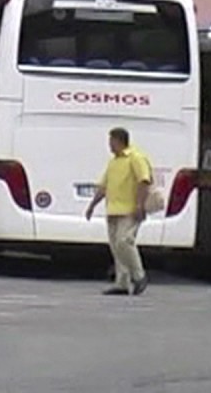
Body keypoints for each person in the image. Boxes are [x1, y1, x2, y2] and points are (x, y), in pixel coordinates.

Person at [85, 127, 153, 296]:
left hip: (129, 209)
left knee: (124, 242)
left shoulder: (136, 158)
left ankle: (139, 275)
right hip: (113, 209)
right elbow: (104, 186)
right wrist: (92, 205)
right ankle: (122, 283)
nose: (110, 146)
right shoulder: (113, 162)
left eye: (111, 141)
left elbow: (143, 181)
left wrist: (139, 205)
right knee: (116, 247)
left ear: (119, 140)